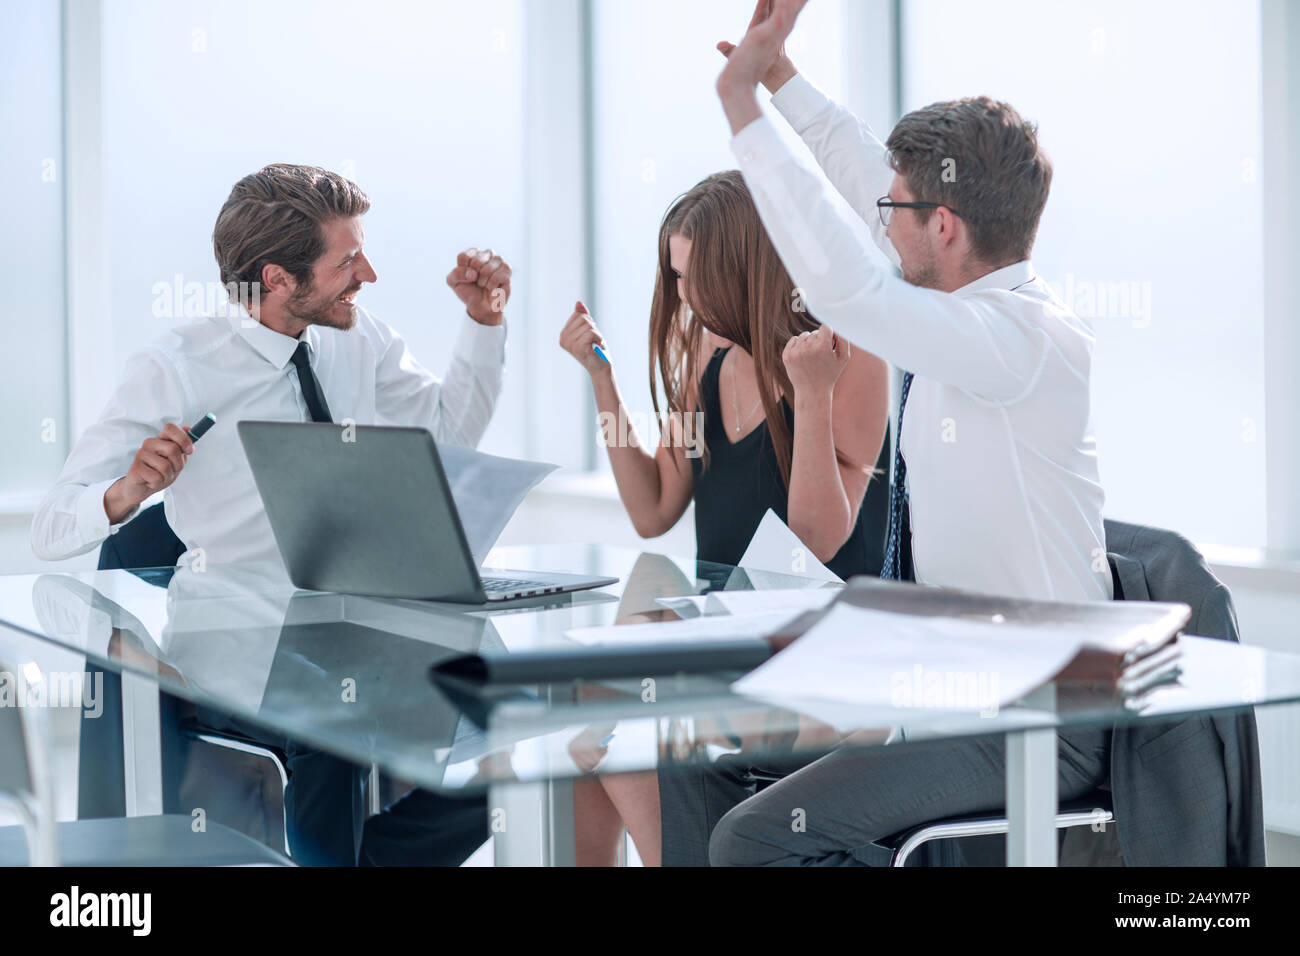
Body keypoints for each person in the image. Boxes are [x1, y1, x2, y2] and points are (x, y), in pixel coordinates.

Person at [704, 0, 1115, 865]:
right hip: (944, 686)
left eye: (896, 210)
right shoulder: (960, 303)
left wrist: (741, 106)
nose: (878, 219)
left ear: (945, 227)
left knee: (757, 839)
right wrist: (780, 81)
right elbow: (866, 180)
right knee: (706, 763)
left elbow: (856, 293)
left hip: (1036, 716)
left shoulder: (1020, 341)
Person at [31, 163, 512, 865]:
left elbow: (448, 430)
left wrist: (483, 321)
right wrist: (127, 491)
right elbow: (48, 529)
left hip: (362, 627)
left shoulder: (360, 337)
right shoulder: (178, 367)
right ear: (278, 277)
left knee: (517, 709)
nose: (368, 274)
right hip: (231, 644)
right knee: (330, 727)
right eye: (347, 261)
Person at [558, 169, 889, 865]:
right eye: (675, 277)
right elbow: (653, 510)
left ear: (744, 269)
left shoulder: (847, 358)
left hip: (823, 653)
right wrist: (602, 382)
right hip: (732, 638)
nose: (682, 296)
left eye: (692, 278)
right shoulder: (704, 359)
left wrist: (812, 394)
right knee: (592, 717)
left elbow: (820, 542)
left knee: (599, 728)